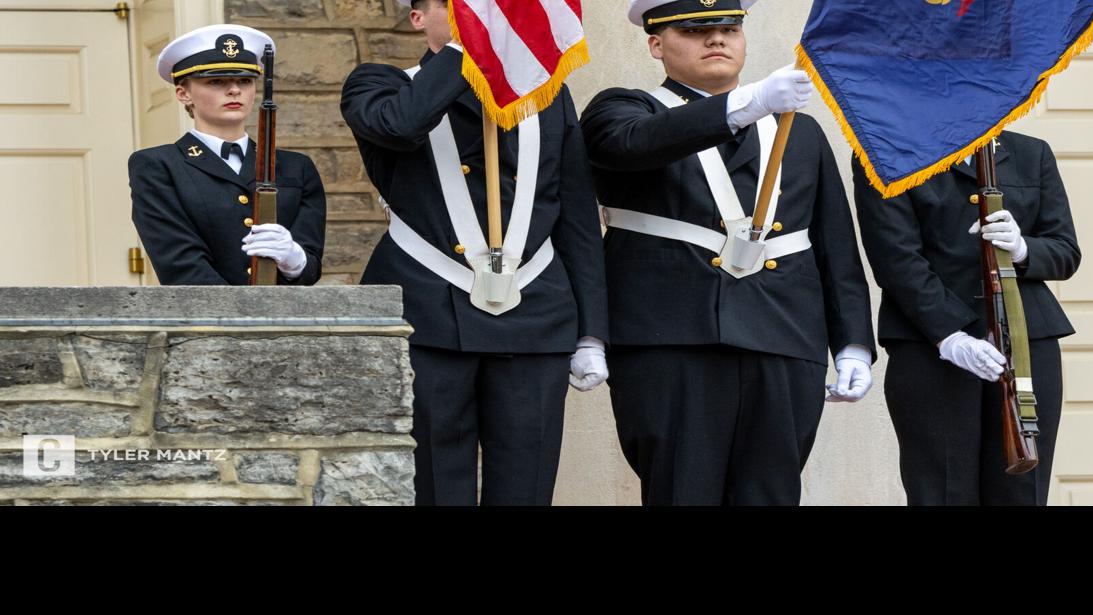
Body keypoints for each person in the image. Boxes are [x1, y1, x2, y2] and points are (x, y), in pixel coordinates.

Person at [581, 0, 877, 506]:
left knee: (772, 494)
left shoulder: (796, 129)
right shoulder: (624, 110)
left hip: (782, 337)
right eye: (695, 30)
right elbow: (631, 145)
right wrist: (749, 103)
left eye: (727, 28)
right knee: (681, 492)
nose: (716, 39)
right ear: (656, 45)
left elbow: (834, 246)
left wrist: (853, 342)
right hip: (671, 341)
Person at [340, 0, 608, 506]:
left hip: (535, 318)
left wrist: (592, 331)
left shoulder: (549, 97)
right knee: (437, 488)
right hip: (429, 316)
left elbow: (575, 218)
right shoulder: (379, 83)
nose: (477, 11)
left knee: (526, 488)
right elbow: (401, 124)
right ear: (419, 18)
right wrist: (472, 45)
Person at [852, 132, 1080, 505]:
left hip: (1024, 341)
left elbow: (1065, 251)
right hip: (931, 345)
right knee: (942, 490)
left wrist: (1023, 249)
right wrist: (949, 334)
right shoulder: (885, 152)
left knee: (1022, 493)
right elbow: (896, 259)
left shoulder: (1031, 152)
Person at [129, 24, 324, 286]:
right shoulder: (159, 166)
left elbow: (310, 268)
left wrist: (294, 259)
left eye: (244, 80)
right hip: (206, 321)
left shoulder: (295, 167)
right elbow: (180, 266)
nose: (234, 90)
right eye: (216, 81)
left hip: (285, 318)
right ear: (183, 93)